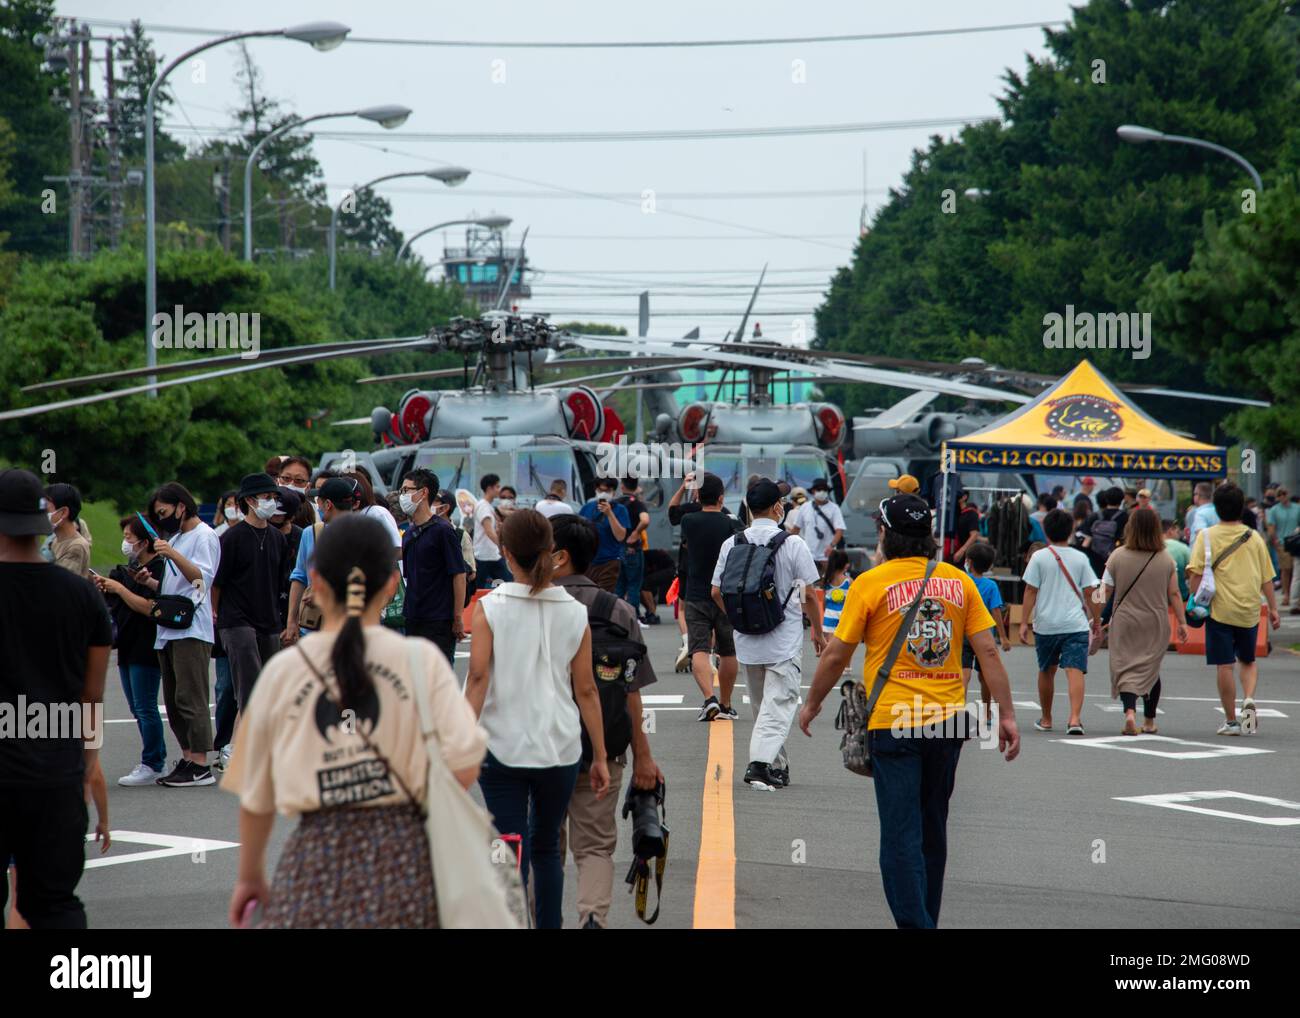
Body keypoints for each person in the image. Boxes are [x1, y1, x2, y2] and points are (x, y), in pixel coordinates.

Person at [223, 514, 486, 928]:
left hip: (315, 861)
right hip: (409, 859)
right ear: (392, 584)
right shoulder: (420, 662)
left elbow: (257, 794)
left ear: (316, 583)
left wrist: (251, 874)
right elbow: (464, 764)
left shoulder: (285, 671)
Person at [799, 492, 1020, 929]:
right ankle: (926, 920)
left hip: (895, 722)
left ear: (885, 534)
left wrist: (812, 702)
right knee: (932, 830)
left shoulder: (870, 583)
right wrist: (1007, 715)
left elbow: (836, 654)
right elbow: (989, 652)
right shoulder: (959, 582)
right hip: (949, 722)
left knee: (900, 835)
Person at [464, 510, 611, 929]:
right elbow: (586, 690)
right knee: (546, 848)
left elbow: (477, 679)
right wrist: (599, 755)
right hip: (560, 747)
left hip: (501, 747)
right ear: (551, 552)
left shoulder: (489, 607)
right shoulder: (573, 611)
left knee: (510, 847)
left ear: (506, 553)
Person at [0, 469, 112, 928]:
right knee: (54, 902)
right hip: (54, 770)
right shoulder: (82, 596)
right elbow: (92, 695)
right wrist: (86, 766)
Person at [550, 514, 663, 929]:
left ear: (557, 557)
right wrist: (644, 759)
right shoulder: (618, 610)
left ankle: (538, 917)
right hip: (604, 748)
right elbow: (632, 690)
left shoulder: (527, 604)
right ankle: (593, 916)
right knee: (595, 846)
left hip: (539, 747)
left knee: (544, 845)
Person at [712, 478, 824, 790]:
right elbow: (809, 594)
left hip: (746, 639)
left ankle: (778, 765)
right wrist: (816, 629)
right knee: (781, 703)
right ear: (778, 508)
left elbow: (716, 591)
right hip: (783, 639)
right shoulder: (792, 543)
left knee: (764, 707)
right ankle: (759, 764)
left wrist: (739, 618)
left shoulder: (732, 543)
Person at [1187, 482, 1279, 736]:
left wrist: (1194, 598)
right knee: (1248, 661)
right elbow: (1267, 578)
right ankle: (1248, 697)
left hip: (1219, 610)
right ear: (1241, 509)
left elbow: (1195, 576)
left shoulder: (1206, 536)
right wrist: (1273, 608)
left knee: (1224, 665)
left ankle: (1231, 721)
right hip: (1249, 608)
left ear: (1216, 508)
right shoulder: (1254, 537)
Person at [148, 482, 222, 787]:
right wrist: (149, 582)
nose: (162, 518)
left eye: (164, 511)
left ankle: (201, 764)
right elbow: (175, 585)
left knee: (191, 695)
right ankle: (189, 756)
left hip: (192, 628)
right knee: (174, 699)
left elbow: (201, 580)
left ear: (181, 506)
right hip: (168, 628)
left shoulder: (205, 535)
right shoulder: (176, 537)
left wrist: (172, 554)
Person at [94, 516, 168, 785]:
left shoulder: (159, 569)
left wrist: (120, 588)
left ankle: (153, 763)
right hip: (126, 643)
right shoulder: (129, 568)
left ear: (145, 541)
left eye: (129, 538)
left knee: (145, 705)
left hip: (146, 644)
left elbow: (149, 607)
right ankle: (152, 758)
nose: (125, 543)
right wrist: (104, 587)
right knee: (136, 707)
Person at [1101, 508, 1187, 737]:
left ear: (1131, 528)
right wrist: (1182, 622)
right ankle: (1149, 721)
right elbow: (1175, 594)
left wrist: (1095, 614)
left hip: (1125, 620)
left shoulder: (1117, 556)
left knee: (1125, 666)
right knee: (1150, 669)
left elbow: (1105, 590)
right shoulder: (1166, 559)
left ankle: (1129, 712)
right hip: (1156, 620)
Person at [213, 473, 286, 721]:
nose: (272, 502)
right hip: (236, 618)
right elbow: (217, 582)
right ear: (251, 501)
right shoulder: (231, 538)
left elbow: (280, 580)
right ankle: (247, 746)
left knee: (271, 685)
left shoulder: (277, 537)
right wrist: (216, 612)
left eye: (274, 497)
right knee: (250, 686)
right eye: (267, 497)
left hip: (269, 618)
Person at [1020, 508, 1100, 736]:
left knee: (1046, 670)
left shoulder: (1039, 557)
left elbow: (1030, 590)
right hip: (1075, 624)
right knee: (1075, 670)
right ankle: (1074, 719)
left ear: (1046, 530)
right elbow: (1091, 591)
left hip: (1046, 624)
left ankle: (1046, 718)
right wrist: (1095, 619)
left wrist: (1024, 623)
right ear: (1071, 530)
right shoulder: (1081, 558)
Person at [679, 473, 743, 722]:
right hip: (725, 595)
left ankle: (709, 699)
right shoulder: (732, 523)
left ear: (697, 496)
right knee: (728, 651)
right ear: (721, 497)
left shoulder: (688, 521)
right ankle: (726, 704)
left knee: (699, 649)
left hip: (696, 594)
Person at [398, 470, 468, 665]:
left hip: (439, 620)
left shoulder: (443, 531)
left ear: (423, 492)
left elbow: (459, 575)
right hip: (412, 617)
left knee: (439, 678)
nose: (402, 495)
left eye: (406, 490)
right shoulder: (410, 533)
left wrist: (458, 616)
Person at [285, 476, 360, 644]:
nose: (317, 507)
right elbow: (299, 578)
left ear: (328, 505)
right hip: (313, 629)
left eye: (318, 502)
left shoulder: (364, 535)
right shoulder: (310, 533)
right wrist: (292, 621)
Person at [962, 541, 1010, 723]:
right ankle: (987, 713)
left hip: (963, 634)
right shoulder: (990, 586)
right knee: (985, 676)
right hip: (984, 635)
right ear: (989, 565)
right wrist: (1004, 637)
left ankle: (958, 710)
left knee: (963, 674)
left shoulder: (962, 580)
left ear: (969, 561)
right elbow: (996, 611)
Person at [579, 476, 630, 593]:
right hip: (589, 561)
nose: (603, 494)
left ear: (613, 492)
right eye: (600, 490)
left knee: (603, 597)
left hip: (610, 561)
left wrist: (609, 514)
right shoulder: (587, 508)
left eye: (607, 491)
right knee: (587, 595)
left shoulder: (620, 510)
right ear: (595, 491)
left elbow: (620, 536)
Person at [788, 477, 846, 575]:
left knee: (828, 581)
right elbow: (796, 529)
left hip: (827, 555)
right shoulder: (805, 507)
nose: (822, 492)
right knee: (809, 583)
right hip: (808, 555)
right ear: (813, 491)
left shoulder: (834, 508)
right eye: (819, 489)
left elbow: (839, 530)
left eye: (824, 490)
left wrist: (831, 546)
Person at [614, 476, 650, 614]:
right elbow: (645, 520)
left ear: (622, 486)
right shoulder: (638, 504)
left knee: (619, 586)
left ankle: (617, 615)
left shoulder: (615, 503)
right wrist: (636, 533)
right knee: (634, 585)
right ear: (636, 487)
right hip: (633, 549)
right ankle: (633, 616)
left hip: (617, 548)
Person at [1077, 486, 1129, 579]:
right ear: (1121, 500)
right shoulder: (1125, 517)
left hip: (1094, 559)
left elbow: (1085, 539)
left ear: (1106, 499)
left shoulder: (1094, 516)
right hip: (1115, 559)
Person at [43, 482, 92, 578]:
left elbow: (60, 585)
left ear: (63, 512)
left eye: (46, 509)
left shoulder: (76, 547)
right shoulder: (56, 540)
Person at [472, 474, 510, 589]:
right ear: (489, 488)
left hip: (489, 555)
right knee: (507, 584)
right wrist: (502, 547)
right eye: (497, 487)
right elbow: (489, 531)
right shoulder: (483, 506)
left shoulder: (487, 506)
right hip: (485, 556)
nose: (499, 490)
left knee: (505, 584)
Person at [1266, 486, 1300, 609]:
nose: (1282, 496)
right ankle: (1286, 594)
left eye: (1284, 493)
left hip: (1296, 542)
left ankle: (1294, 595)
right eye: (1279, 494)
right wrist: (1274, 541)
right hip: (1282, 543)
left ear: (1288, 494)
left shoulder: (1297, 508)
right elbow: (1271, 526)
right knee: (1286, 569)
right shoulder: (1274, 510)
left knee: (1295, 571)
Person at [945, 490, 981, 565]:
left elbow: (974, 534)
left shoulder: (971, 513)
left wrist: (962, 550)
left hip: (963, 553)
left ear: (964, 497)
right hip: (951, 551)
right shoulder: (954, 512)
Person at [821, 549, 852, 633]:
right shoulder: (848, 581)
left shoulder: (827, 580)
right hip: (844, 619)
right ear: (845, 565)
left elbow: (824, 602)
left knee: (828, 645)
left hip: (829, 617)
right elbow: (851, 603)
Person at [1163, 518, 1191, 602]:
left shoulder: (1152, 548)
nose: (1179, 535)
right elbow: (1191, 573)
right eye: (1177, 532)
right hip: (1181, 597)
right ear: (1170, 531)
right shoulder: (1183, 548)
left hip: (1159, 599)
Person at [1186, 481, 1218, 545]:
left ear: (1198, 496)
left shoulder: (1197, 513)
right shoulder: (1219, 511)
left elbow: (1199, 536)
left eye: (1194, 494)